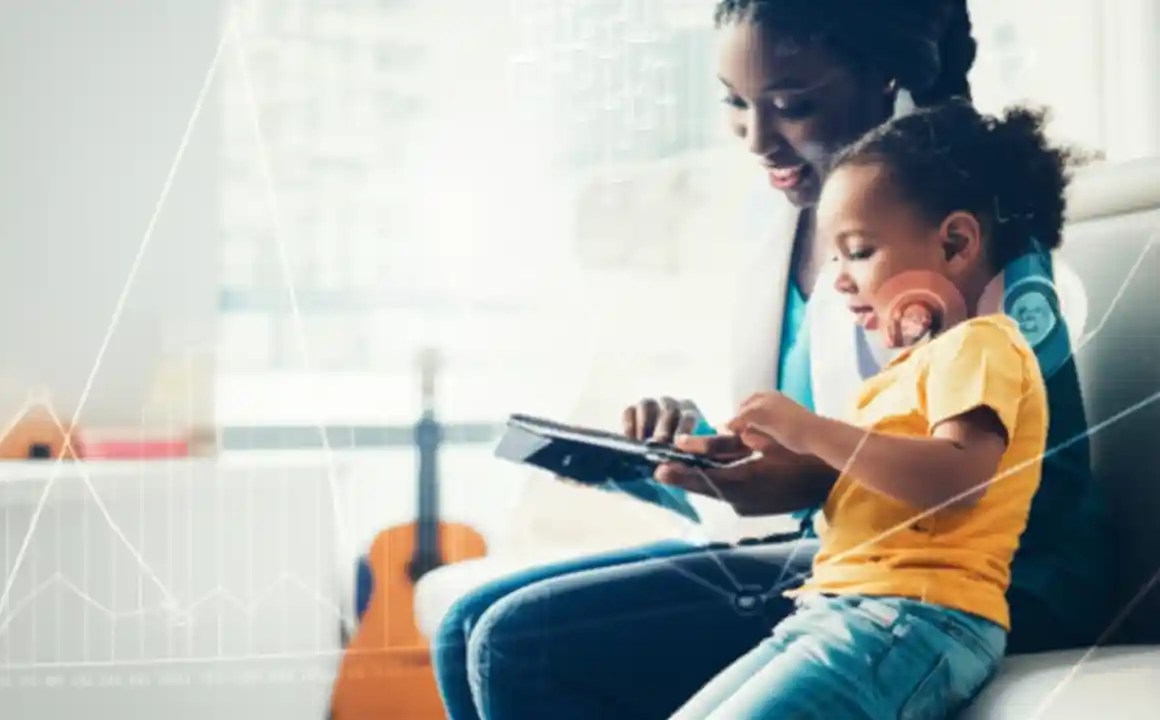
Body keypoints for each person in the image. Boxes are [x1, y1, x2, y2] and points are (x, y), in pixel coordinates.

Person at [431, 2, 1111, 717]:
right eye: (734, 103)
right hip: (838, 551)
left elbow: (978, 473)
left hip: (977, 582)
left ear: (883, 78)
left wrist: (808, 458)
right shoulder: (795, 230)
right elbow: (820, 458)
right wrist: (692, 456)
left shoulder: (962, 257)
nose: (757, 139)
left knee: (518, 642)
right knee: (466, 627)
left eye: (791, 105)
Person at [669, 100, 1068, 719]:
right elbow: (873, 485)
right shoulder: (903, 374)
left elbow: (958, 479)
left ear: (956, 243)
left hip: (917, 619)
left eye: (857, 251)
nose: (839, 279)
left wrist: (812, 430)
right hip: (844, 608)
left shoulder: (981, 344)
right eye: (834, 257)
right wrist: (770, 457)